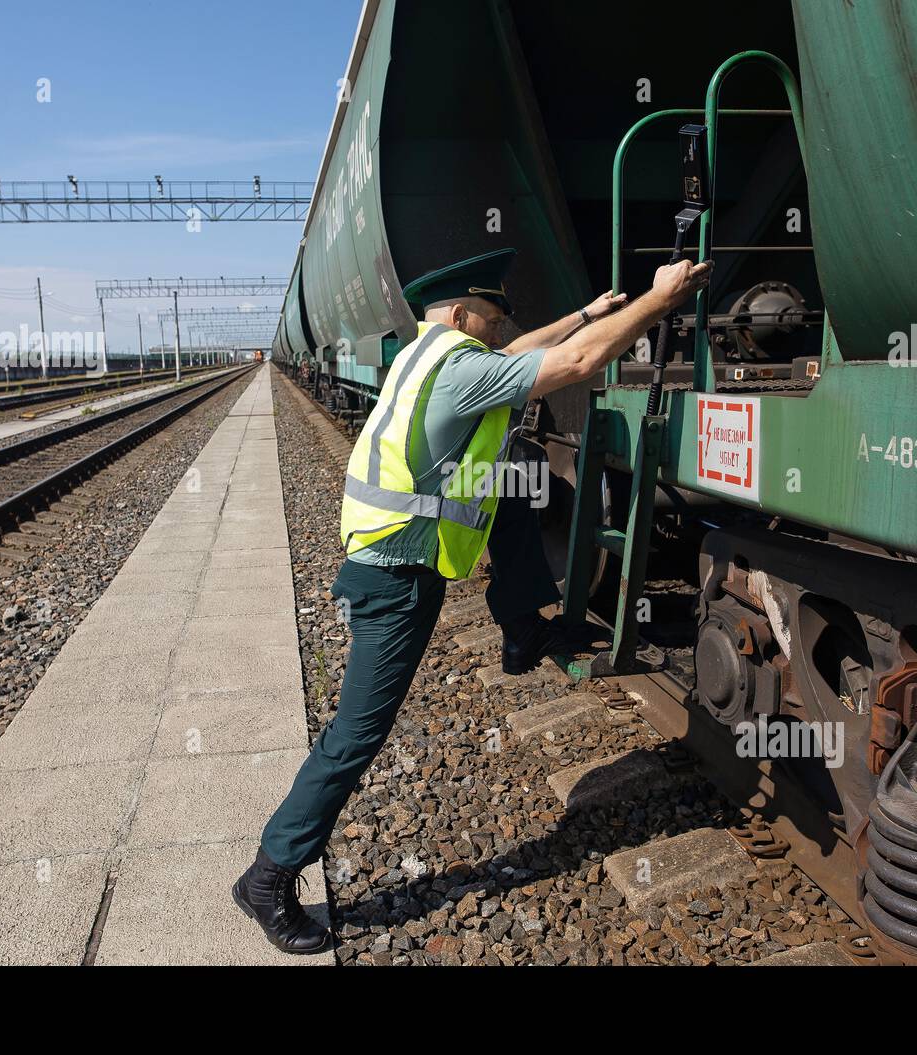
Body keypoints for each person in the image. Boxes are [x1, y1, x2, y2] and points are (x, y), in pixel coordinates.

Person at [233, 249, 711, 953]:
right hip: (394, 580)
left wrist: (588, 313)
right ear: (461, 317)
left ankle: (521, 625)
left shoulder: (423, 357)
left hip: (397, 562)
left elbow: (519, 350)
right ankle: (268, 876)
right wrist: (657, 300)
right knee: (356, 736)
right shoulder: (460, 368)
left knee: (514, 469)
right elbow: (573, 366)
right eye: (491, 318)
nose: (500, 329)